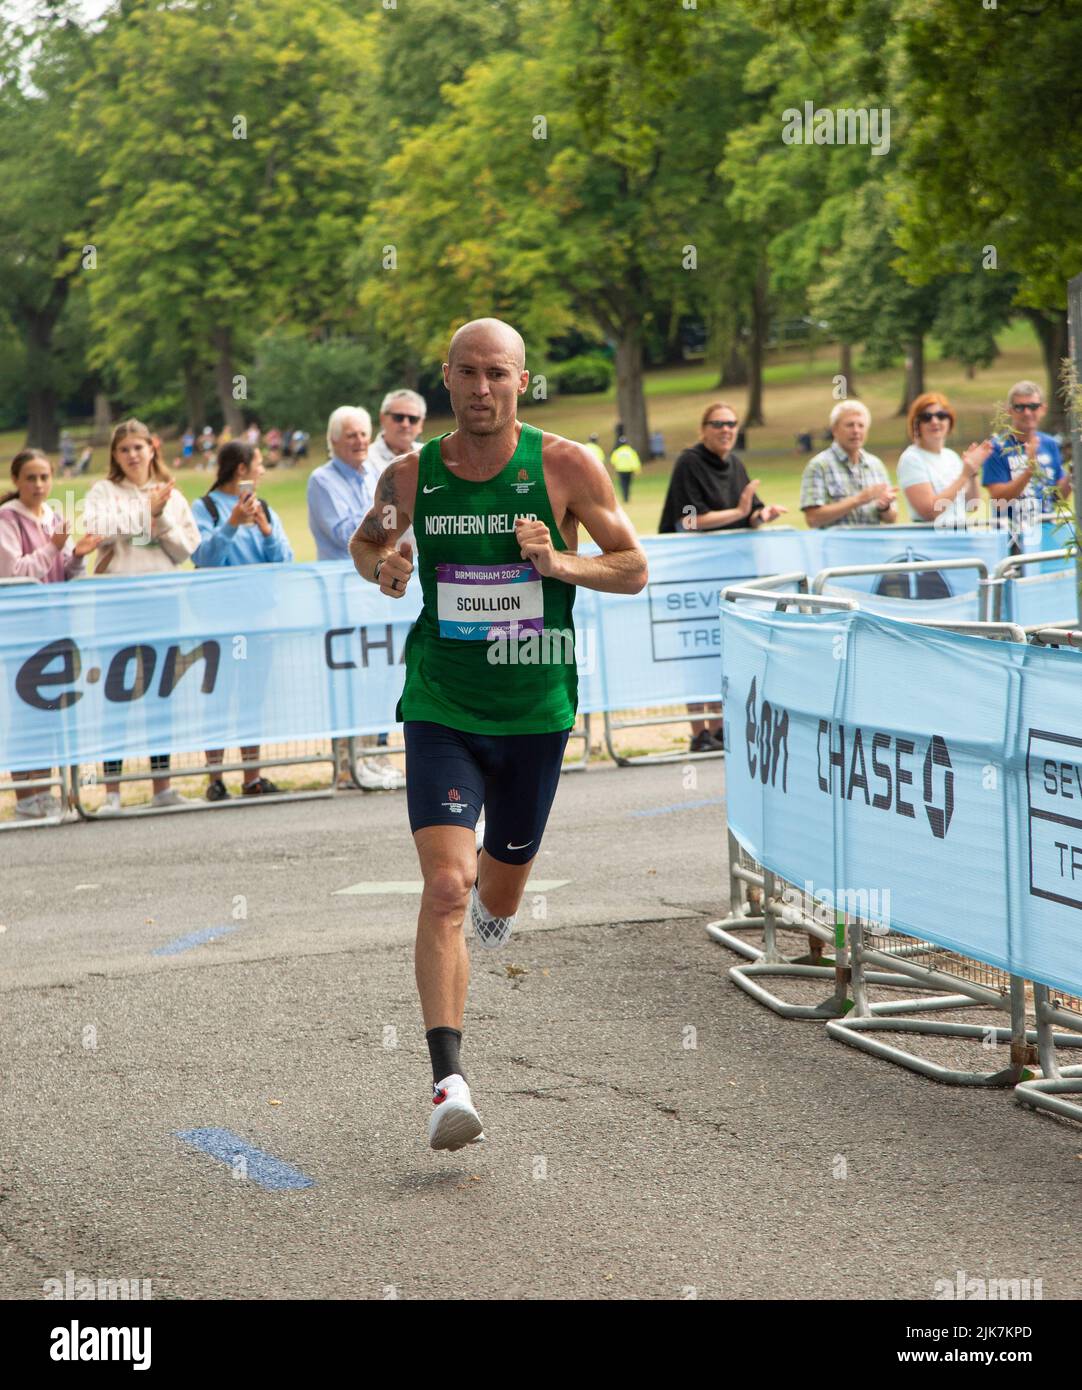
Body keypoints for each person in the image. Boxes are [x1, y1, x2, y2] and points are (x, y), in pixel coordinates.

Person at [348, 317, 647, 1153]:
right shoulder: (410, 476)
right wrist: (385, 569)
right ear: (446, 378)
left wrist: (561, 566)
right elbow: (367, 539)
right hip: (442, 699)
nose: (483, 388)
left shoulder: (565, 465)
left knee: (497, 891)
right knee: (445, 885)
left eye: (499, 374)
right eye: (468, 373)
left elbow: (632, 566)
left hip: (536, 708)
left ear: (523, 381)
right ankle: (448, 1084)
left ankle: (495, 903)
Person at [83, 420, 201, 814]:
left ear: (152, 449)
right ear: (115, 455)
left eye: (139, 447)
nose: (133, 455)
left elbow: (184, 550)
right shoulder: (105, 491)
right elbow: (97, 528)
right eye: (124, 449)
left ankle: (161, 785)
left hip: (162, 604)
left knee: (159, 693)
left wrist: (160, 517)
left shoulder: (171, 494)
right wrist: (141, 512)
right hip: (118, 603)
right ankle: (111, 791)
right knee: (117, 695)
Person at [658, 402, 787, 754]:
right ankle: (698, 729)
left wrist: (762, 514)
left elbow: (750, 513)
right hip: (693, 574)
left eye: (731, 424)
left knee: (722, 648)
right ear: (703, 429)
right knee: (695, 647)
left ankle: (718, 726)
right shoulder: (689, 461)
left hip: (727, 574)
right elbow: (688, 519)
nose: (726, 430)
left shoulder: (735, 464)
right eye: (718, 424)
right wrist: (740, 512)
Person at [0, 449, 101, 820]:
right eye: (31, 478)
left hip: (57, 628)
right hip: (23, 630)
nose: (39, 485)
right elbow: (16, 571)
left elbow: (64, 573)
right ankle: (26, 791)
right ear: (17, 481)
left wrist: (77, 555)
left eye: (44, 477)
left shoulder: (54, 517)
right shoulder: (8, 520)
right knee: (26, 710)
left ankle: (48, 786)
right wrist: (54, 546)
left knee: (50, 711)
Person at [308, 407, 405, 792]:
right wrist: (387, 528)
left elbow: (386, 527)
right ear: (333, 441)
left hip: (376, 590)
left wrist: (386, 529)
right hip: (342, 596)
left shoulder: (375, 477)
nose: (359, 441)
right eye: (350, 435)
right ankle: (348, 762)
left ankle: (375, 755)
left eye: (364, 434)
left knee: (380, 675)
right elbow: (346, 531)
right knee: (350, 677)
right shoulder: (322, 480)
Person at [191, 440, 293, 802]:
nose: (262, 470)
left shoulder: (262, 507)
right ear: (241, 469)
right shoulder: (204, 508)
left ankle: (252, 777)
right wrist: (232, 524)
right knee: (218, 699)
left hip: (258, 621)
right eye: (259, 463)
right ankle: (214, 778)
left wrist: (265, 529)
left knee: (253, 699)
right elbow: (205, 557)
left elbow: (284, 559)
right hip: (218, 623)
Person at [982, 380, 1070, 545]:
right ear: (1010, 411)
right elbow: (999, 500)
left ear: (1043, 409)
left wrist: (1074, 473)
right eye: (1020, 407)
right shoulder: (997, 448)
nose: (1027, 412)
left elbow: (1058, 498)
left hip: (1046, 532)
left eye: (1033, 406)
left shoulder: (1050, 444)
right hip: (1011, 537)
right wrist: (1029, 470)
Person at [897, 392, 991, 527]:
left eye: (941, 416)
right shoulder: (911, 459)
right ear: (916, 424)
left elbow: (972, 505)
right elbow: (929, 511)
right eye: (926, 417)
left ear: (950, 421)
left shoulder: (951, 457)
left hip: (960, 537)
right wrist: (964, 476)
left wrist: (972, 472)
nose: (935, 421)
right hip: (933, 543)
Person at [801, 399, 897, 527]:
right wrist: (857, 500)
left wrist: (884, 507)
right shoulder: (818, 466)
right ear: (834, 429)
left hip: (873, 545)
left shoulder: (875, 465)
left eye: (861, 426)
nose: (856, 431)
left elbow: (892, 518)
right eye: (850, 425)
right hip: (834, 546)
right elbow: (813, 519)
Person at [368, 390, 427, 472]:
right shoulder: (364, 459)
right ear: (382, 418)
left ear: (421, 424)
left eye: (413, 419)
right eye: (398, 417)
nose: (405, 424)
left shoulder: (429, 456)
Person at [609, 435, 642, 503]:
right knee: (628, 484)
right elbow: (635, 461)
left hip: (620, 470)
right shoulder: (630, 451)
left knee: (622, 484)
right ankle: (627, 497)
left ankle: (624, 497)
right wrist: (637, 469)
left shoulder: (617, 451)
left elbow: (613, 461)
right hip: (629, 470)